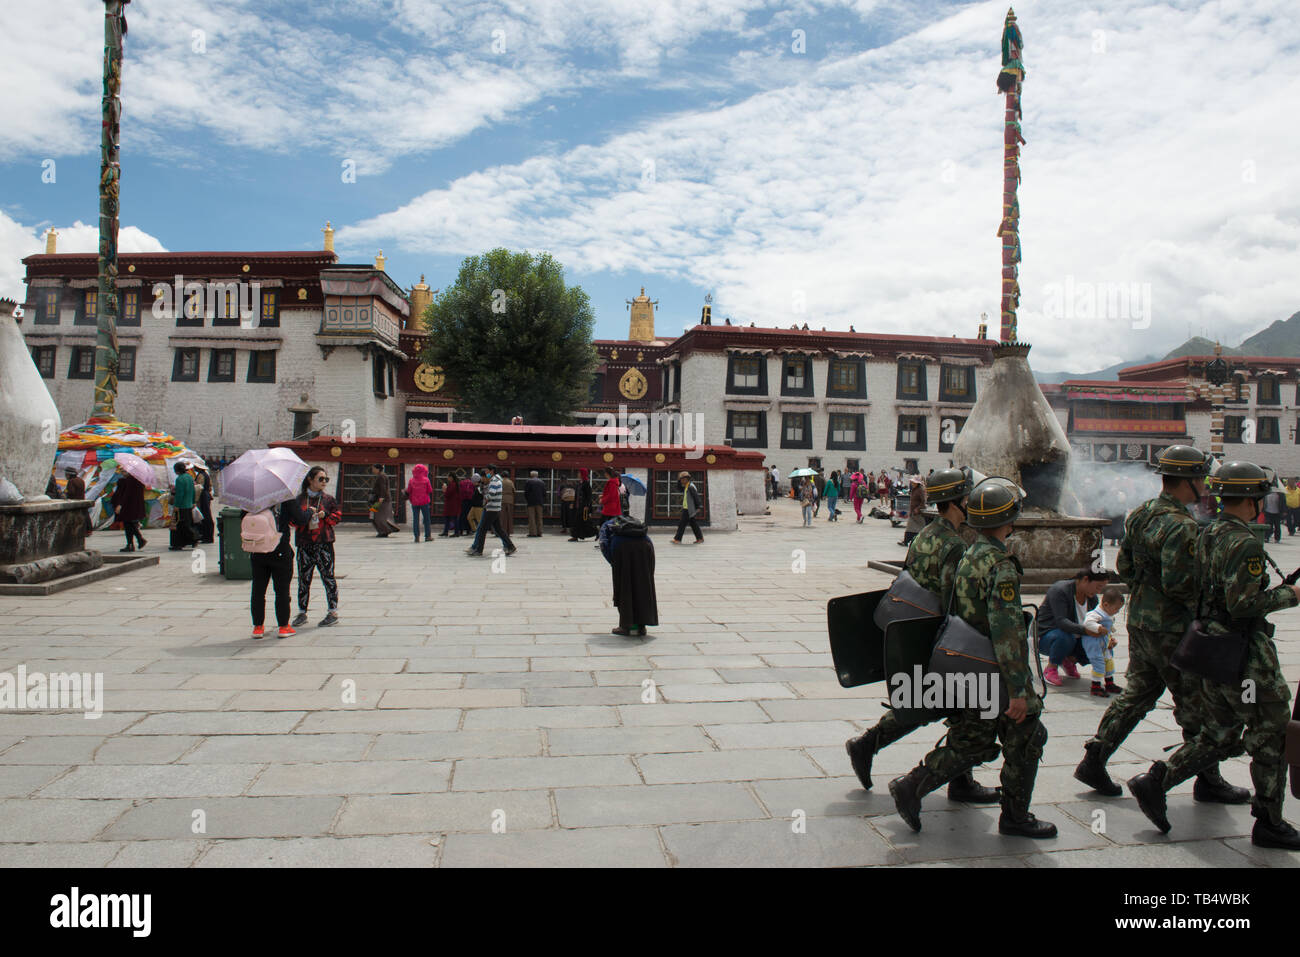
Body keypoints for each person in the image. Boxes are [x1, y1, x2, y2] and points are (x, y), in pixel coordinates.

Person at [1127, 461, 1300, 850]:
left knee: (1219, 733)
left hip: (1211, 650)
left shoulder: (1208, 533)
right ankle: (1270, 822)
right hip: (1244, 657)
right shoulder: (1245, 542)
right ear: (1254, 499)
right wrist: (1292, 595)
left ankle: (1156, 780)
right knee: (1270, 732)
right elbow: (1243, 604)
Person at [1075, 445, 1248, 804]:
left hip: (1141, 620)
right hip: (1173, 629)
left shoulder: (1141, 514)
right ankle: (1206, 778)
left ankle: (1095, 758)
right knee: (1196, 703)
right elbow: (1180, 585)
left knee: (1138, 694)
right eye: (1201, 477)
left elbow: (1125, 566)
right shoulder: (1182, 526)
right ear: (1189, 481)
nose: (1204, 484)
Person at [888, 479, 1057, 838]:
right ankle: (1013, 817)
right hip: (993, 668)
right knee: (1027, 734)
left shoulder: (970, 554)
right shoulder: (1000, 565)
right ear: (1010, 517)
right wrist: (1019, 691)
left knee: (974, 739)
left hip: (969, 662)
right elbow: (1008, 632)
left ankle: (915, 785)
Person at [846, 468, 1001, 805]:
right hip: (939, 638)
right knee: (952, 707)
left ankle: (958, 781)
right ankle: (875, 750)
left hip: (913, 633)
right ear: (959, 502)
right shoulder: (955, 546)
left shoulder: (924, 535)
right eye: (969, 497)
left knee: (931, 703)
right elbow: (953, 603)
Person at [248, 495, 312, 639]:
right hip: (280, 550)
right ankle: (283, 627)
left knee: (258, 590)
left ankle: (258, 627)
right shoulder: (285, 497)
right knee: (282, 590)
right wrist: (310, 512)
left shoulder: (254, 499)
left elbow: (244, 518)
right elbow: (300, 519)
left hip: (258, 550)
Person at [1037, 570, 1109, 687]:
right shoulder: (1060, 590)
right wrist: (1086, 630)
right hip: (1048, 636)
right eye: (1098, 586)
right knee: (1065, 637)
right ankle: (1051, 667)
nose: (1098, 591)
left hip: (1075, 637)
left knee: (1100, 644)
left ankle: (1069, 660)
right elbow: (1062, 622)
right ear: (1086, 579)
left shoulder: (1092, 599)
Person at [291, 466, 342, 627]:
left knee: (328, 577)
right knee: (304, 579)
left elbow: (337, 518)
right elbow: (292, 521)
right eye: (320, 479)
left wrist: (324, 515)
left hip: (324, 543)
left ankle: (332, 611)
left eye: (326, 479)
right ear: (310, 480)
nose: (324, 482)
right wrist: (306, 515)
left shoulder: (328, 500)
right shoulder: (299, 500)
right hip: (305, 543)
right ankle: (301, 612)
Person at [609, 518, 658, 637]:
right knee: (643, 591)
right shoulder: (644, 537)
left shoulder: (617, 538)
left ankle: (626, 626)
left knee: (625, 590)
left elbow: (609, 554)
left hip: (623, 562)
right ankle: (642, 627)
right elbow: (652, 560)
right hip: (644, 565)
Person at [1081, 585, 1125, 697]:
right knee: (1099, 664)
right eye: (1116, 609)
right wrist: (1099, 628)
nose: (1117, 612)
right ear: (1106, 605)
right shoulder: (1095, 614)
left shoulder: (1107, 614)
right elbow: (1088, 623)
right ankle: (1095, 687)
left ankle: (1109, 683)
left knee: (1109, 663)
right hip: (1094, 643)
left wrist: (1111, 638)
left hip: (1104, 643)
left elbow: (1109, 628)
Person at [466, 465, 517, 557]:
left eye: (487, 471)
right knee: (499, 529)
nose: (486, 474)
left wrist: (485, 499)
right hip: (494, 508)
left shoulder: (494, 481)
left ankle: (479, 550)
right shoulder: (494, 480)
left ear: (492, 471)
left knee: (482, 529)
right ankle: (510, 546)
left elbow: (491, 495)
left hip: (491, 508)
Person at [110, 471, 146, 552]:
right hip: (135, 505)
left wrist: (120, 504)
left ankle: (137, 541)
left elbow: (126, 494)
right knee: (129, 524)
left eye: (124, 470)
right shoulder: (139, 480)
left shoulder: (129, 480)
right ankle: (133, 543)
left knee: (129, 524)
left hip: (128, 506)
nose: (122, 472)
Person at [672, 471, 704, 544]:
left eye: (683, 479)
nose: (682, 480)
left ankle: (677, 539)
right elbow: (679, 488)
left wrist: (699, 506)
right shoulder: (687, 486)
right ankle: (700, 538)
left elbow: (696, 497)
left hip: (689, 509)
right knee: (693, 523)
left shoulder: (690, 487)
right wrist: (678, 481)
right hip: (686, 508)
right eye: (681, 479)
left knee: (682, 524)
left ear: (687, 479)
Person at [170, 462, 196, 550]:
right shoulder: (189, 477)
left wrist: (176, 505)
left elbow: (179, 494)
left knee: (179, 525)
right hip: (189, 504)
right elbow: (193, 490)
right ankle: (189, 540)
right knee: (187, 523)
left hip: (182, 505)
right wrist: (193, 501)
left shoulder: (179, 479)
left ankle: (179, 543)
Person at [405, 463, 434, 543]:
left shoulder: (411, 480)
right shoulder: (426, 480)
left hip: (414, 502)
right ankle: (428, 536)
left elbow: (408, 491)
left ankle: (416, 537)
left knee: (415, 520)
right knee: (427, 519)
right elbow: (430, 490)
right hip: (424, 502)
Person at [369, 464, 399, 537]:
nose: (372, 470)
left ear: (378, 469)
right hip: (380, 499)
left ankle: (384, 531)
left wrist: (381, 498)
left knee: (379, 516)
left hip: (381, 500)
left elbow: (383, 488)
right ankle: (383, 530)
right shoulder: (381, 475)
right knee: (374, 514)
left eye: (373, 468)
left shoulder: (381, 476)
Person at [569, 469, 596, 542]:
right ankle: (576, 536)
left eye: (579, 473)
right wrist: (573, 503)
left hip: (583, 506)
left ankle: (575, 536)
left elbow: (589, 496)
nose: (578, 474)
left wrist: (587, 506)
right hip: (577, 505)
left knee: (582, 521)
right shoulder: (579, 484)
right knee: (580, 521)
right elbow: (576, 495)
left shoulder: (586, 484)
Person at [899, 478, 926, 546]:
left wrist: (918, 508)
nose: (912, 483)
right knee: (910, 528)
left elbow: (923, 501)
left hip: (918, 513)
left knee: (917, 528)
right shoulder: (914, 489)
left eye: (913, 482)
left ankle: (909, 541)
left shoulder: (920, 490)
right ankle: (906, 541)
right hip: (913, 512)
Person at [195, 469, 215, 544]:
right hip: (206, 495)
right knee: (207, 514)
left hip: (202, 496)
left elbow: (199, 487)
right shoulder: (206, 474)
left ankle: (207, 536)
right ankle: (207, 536)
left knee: (205, 516)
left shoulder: (201, 475)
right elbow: (210, 486)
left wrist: (196, 499)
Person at [524, 470, 545, 537]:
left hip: (531, 502)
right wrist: (542, 500)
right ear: (537, 475)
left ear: (531, 475)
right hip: (540, 502)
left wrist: (527, 500)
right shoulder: (542, 482)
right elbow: (544, 493)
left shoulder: (528, 481)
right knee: (539, 518)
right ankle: (540, 532)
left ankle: (533, 533)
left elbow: (526, 492)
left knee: (532, 518)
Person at [440, 471, 461, 537]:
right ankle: (447, 531)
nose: (447, 478)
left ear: (451, 477)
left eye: (448, 477)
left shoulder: (452, 484)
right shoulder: (455, 484)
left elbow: (448, 494)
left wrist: (444, 490)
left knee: (451, 518)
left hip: (451, 504)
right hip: (454, 504)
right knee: (451, 518)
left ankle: (455, 532)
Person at [500, 470, 517, 537]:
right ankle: (509, 531)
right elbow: (514, 490)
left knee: (501, 516)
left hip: (501, 500)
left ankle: (501, 531)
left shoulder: (500, 481)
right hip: (510, 500)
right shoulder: (510, 482)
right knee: (509, 516)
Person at [457, 470, 474, 535]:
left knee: (462, 515)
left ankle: (460, 530)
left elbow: (459, 492)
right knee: (468, 516)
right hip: (470, 501)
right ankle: (468, 530)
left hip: (463, 501)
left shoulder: (461, 483)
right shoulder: (472, 483)